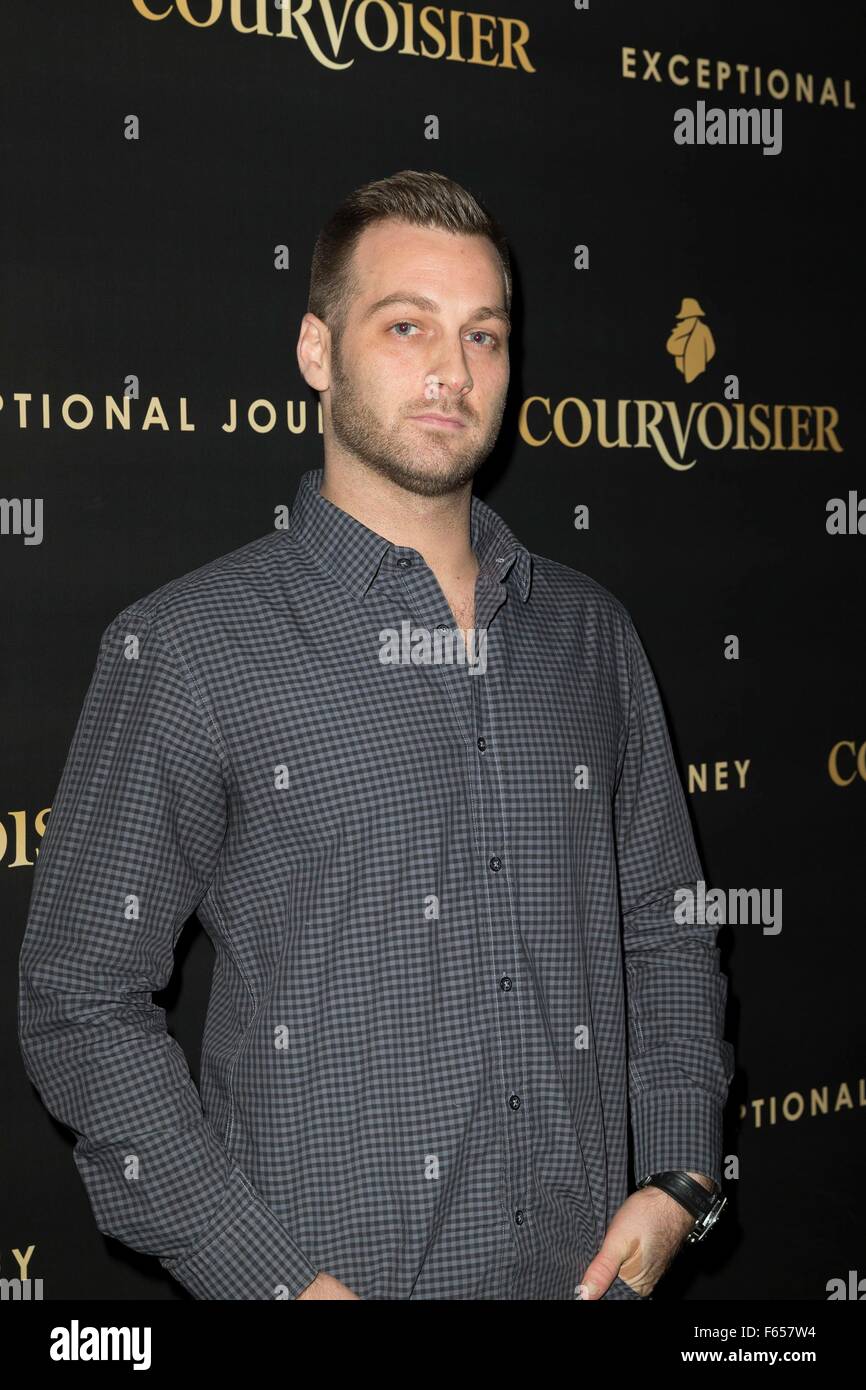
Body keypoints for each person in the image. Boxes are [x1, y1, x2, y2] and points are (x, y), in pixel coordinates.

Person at [18, 169, 735, 1301]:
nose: (452, 371)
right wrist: (267, 1279)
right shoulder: (191, 647)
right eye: (406, 326)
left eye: (484, 336)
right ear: (317, 350)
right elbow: (79, 995)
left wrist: (679, 1172)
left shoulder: (590, 634)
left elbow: (666, 926)